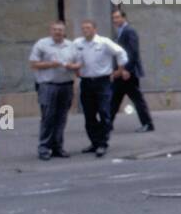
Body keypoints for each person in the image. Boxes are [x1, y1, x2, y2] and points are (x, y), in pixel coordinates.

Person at [74, 19, 129, 158]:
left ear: (94, 29)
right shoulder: (78, 43)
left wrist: (120, 69)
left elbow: (121, 52)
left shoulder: (104, 42)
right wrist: (75, 70)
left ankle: (103, 143)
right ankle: (94, 142)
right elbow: (71, 58)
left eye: (88, 28)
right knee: (89, 115)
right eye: (83, 28)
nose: (85, 30)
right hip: (86, 82)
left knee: (104, 112)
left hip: (102, 82)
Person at [29, 21, 81, 160]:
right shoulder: (42, 44)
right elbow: (33, 64)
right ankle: (44, 148)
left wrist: (73, 66)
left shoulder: (71, 45)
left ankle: (58, 147)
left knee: (61, 118)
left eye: (60, 30)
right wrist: (51, 64)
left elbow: (79, 64)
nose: (57, 32)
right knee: (48, 117)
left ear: (64, 31)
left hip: (66, 85)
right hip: (48, 85)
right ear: (50, 31)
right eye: (55, 29)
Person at [110, 9, 154, 132]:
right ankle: (107, 124)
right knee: (115, 98)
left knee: (135, 99)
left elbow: (133, 52)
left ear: (124, 18)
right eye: (114, 18)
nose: (115, 20)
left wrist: (127, 69)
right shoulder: (119, 32)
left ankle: (148, 124)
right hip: (122, 71)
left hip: (129, 73)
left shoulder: (129, 31)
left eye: (118, 17)